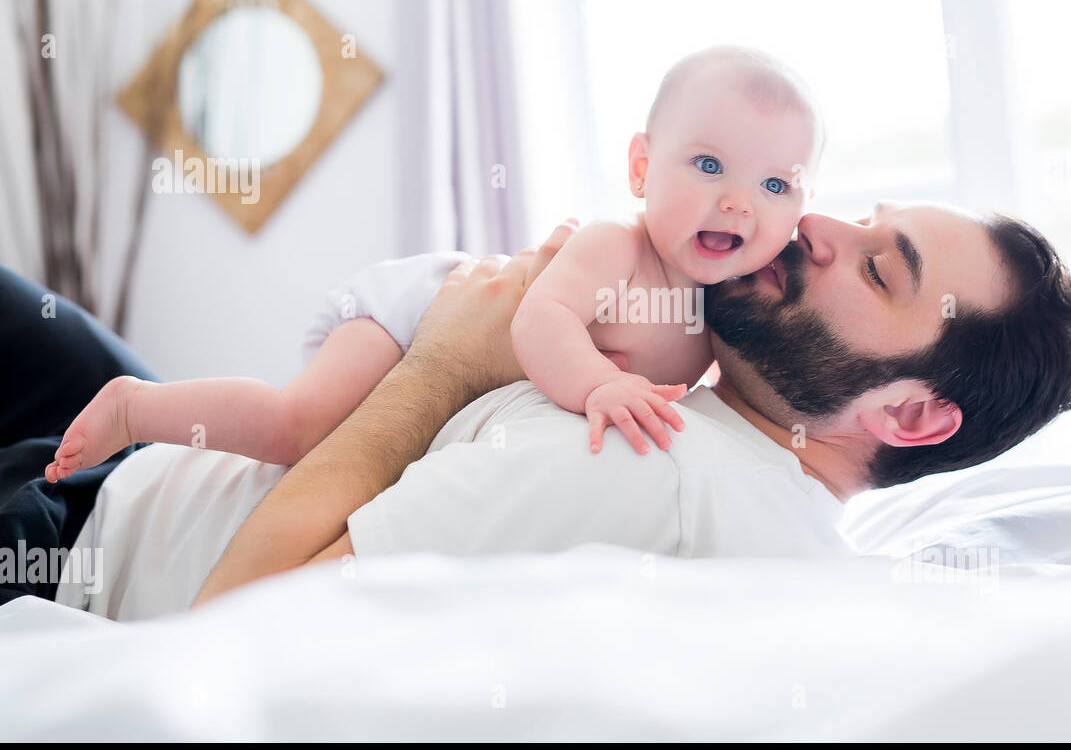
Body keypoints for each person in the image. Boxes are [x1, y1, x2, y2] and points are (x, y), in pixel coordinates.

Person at [1, 201, 1071, 619]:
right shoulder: (711, 421)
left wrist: (441, 366)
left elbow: (238, 622)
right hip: (131, 457)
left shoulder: (658, 471)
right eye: (859, 219)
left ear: (909, 415)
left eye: (878, 267)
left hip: (71, 532)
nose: (810, 224)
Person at [44, 46, 822, 480]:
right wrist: (600, 383)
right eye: (710, 167)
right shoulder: (615, 247)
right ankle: (135, 407)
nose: (738, 205)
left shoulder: (725, 316)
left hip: (452, 357)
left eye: (774, 184)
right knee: (300, 427)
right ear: (642, 168)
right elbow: (539, 321)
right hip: (418, 310)